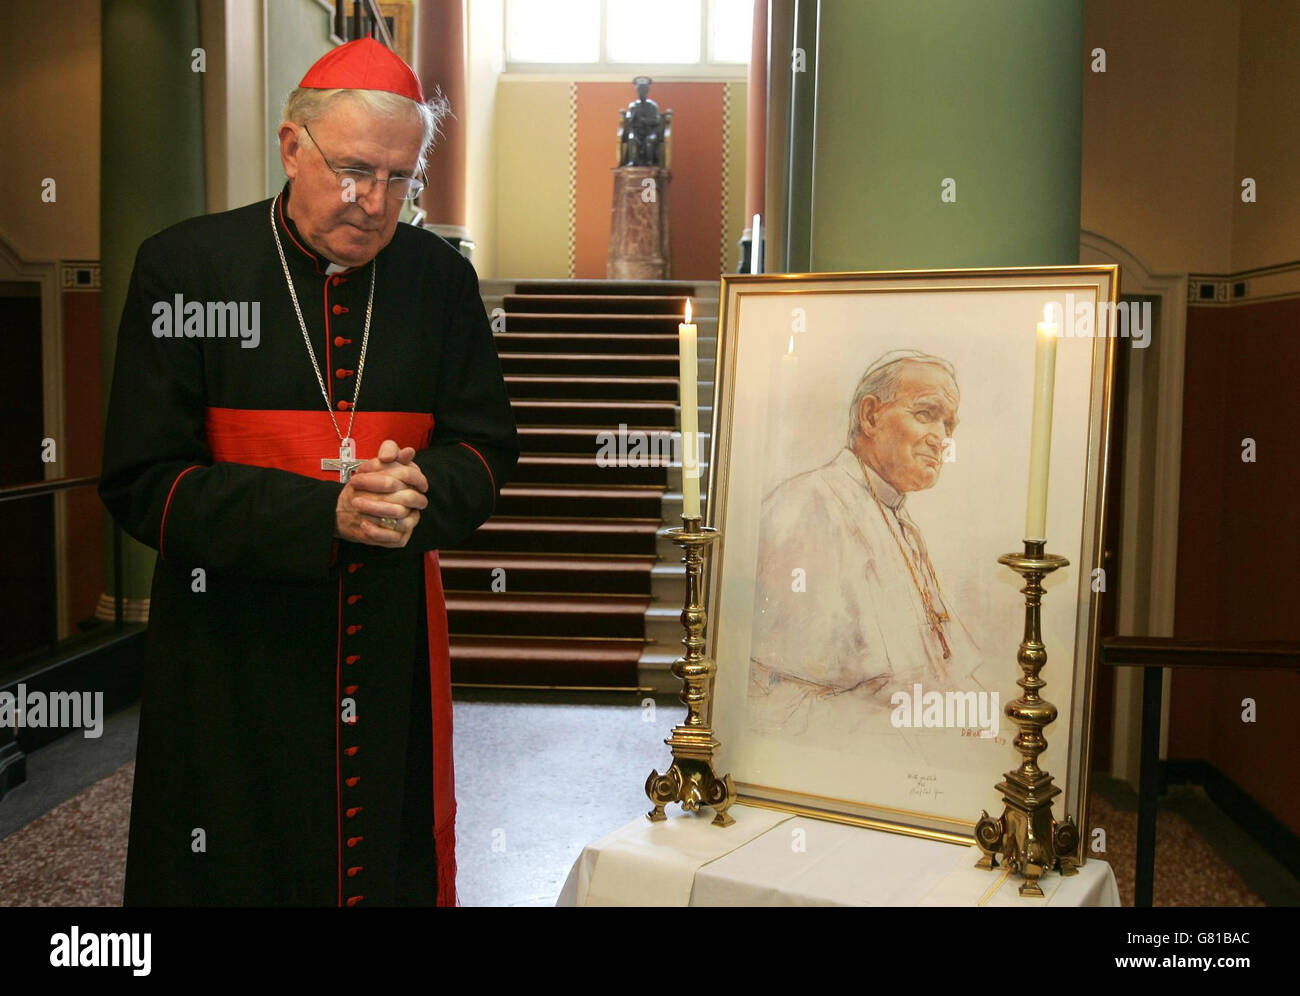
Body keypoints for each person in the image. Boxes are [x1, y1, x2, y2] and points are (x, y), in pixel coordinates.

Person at [99, 38, 518, 906]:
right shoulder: (187, 266)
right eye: (354, 169)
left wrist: (419, 493)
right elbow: (143, 479)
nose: (374, 203)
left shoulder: (439, 281)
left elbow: (486, 451)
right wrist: (321, 513)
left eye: (401, 179)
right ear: (291, 148)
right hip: (228, 649)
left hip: (385, 643)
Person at [748, 349, 983, 738]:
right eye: (926, 414)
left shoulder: (899, 521)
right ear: (871, 416)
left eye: (949, 425)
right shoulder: (806, 506)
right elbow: (782, 698)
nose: (941, 438)